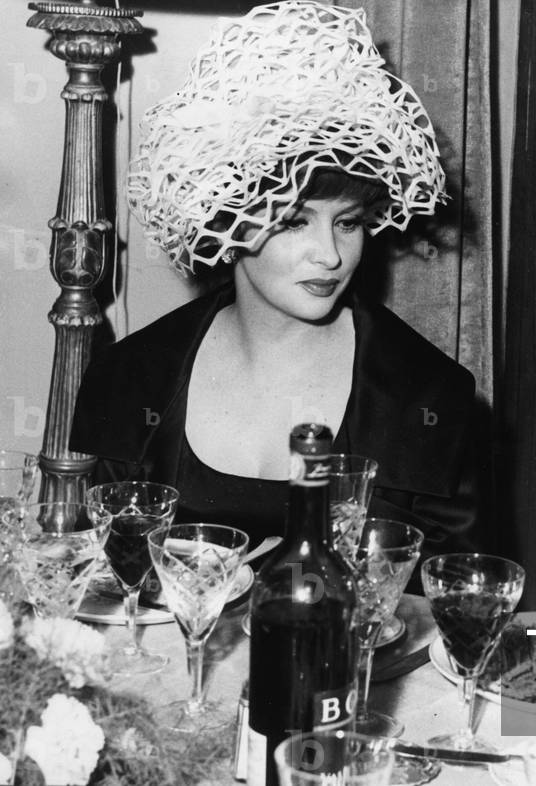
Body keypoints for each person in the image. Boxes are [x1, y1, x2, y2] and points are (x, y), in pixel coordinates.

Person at [70, 2, 478, 564]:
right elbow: (104, 584)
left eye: (349, 222)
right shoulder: (132, 377)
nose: (331, 255)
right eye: (294, 221)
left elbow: (457, 601)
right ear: (227, 220)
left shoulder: (428, 397)